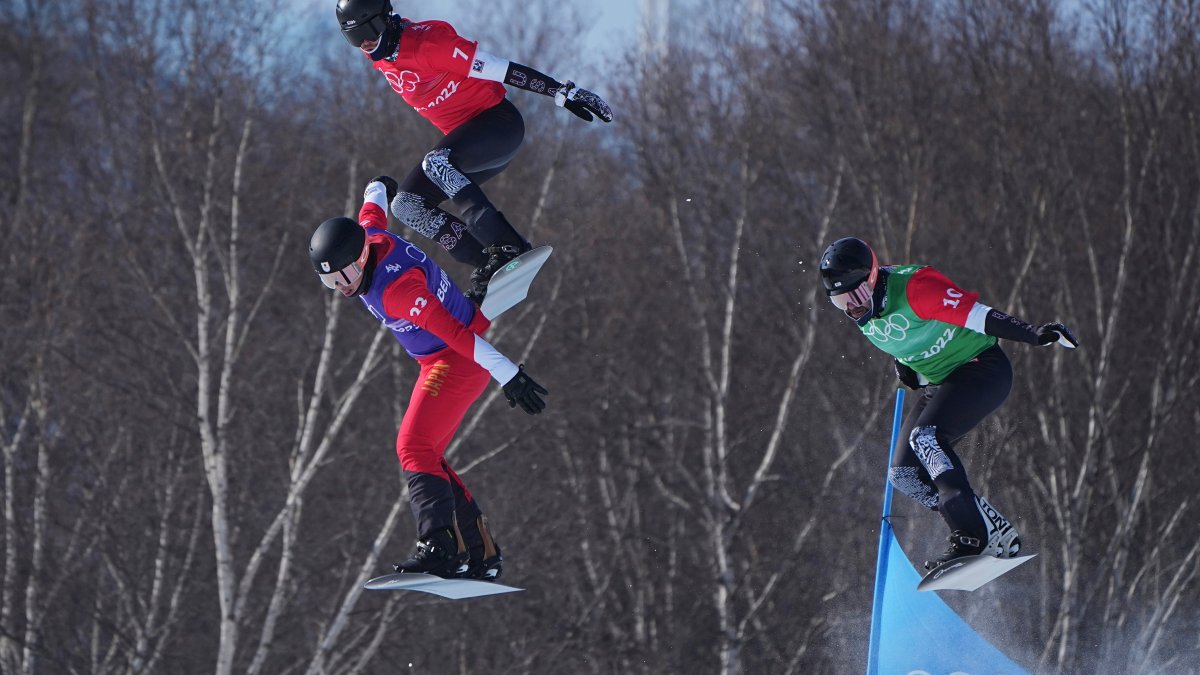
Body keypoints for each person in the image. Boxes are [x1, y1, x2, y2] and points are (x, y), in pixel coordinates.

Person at [309, 176, 550, 580]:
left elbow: (457, 337)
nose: (343, 287)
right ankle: (480, 554)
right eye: (330, 282)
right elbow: (372, 211)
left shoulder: (398, 291)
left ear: (361, 256)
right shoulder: (369, 237)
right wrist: (377, 186)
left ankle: (440, 548)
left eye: (344, 275)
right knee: (426, 455)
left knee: (413, 446)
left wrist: (509, 374)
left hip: (456, 358)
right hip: (440, 358)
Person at [818, 237, 1078, 569]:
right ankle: (985, 524)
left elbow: (979, 316)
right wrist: (905, 365)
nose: (852, 309)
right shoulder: (862, 312)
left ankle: (972, 535)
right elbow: (907, 336)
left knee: (926, 438)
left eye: (855, 297)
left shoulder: (915, 288)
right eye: (840, 302)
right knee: (904, 474)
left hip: (982, 369)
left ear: (872, 278)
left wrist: (1034, 333)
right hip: (941, 382)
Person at [335, 0, 613, 303]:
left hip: (498, 126)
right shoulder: (377, 54)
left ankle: (507, 246)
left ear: (386, 19)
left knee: (436, 163)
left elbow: (498, 68)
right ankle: (490, 265)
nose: (365, 43)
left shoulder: (430, 44)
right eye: (354, 37)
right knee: (406, 205)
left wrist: (560, 91)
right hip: (470, 149)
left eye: (370, 30)